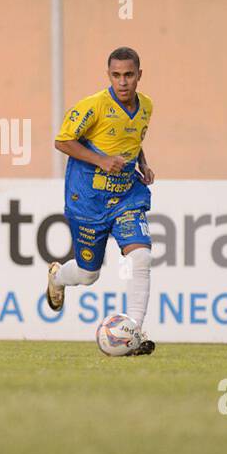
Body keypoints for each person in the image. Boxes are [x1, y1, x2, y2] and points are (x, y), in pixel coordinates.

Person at [45, 46, 156, 355]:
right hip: (88, 200)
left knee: (141, 257)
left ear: (139, 75)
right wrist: (101, 160)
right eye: (116, 75)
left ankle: (133, 331)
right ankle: (57, 277)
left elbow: (132, 140)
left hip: (126, 196)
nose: (123, 82)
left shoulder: (146, 106)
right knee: (88, 274)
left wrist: (142, 163)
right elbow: (62, 141)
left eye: (129, 75)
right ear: (108, 75)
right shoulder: (93, 106)